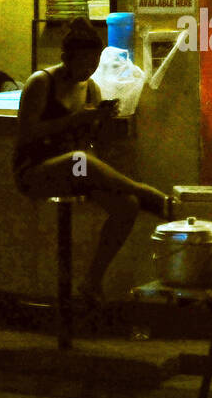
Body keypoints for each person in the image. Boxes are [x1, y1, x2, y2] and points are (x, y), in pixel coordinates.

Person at [13, 19, 170, 306]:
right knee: (80, 159)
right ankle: (151, 195)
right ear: (65, 59)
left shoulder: (92, 89)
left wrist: (101, 120)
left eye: (94, 62)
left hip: (78, 171)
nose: (89, 69)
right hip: (35, 171)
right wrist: (77, 119)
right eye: (83, 62)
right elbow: (27, 134)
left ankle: (92, 281)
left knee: (127, 205)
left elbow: (91, 143)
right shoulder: (41, 83)